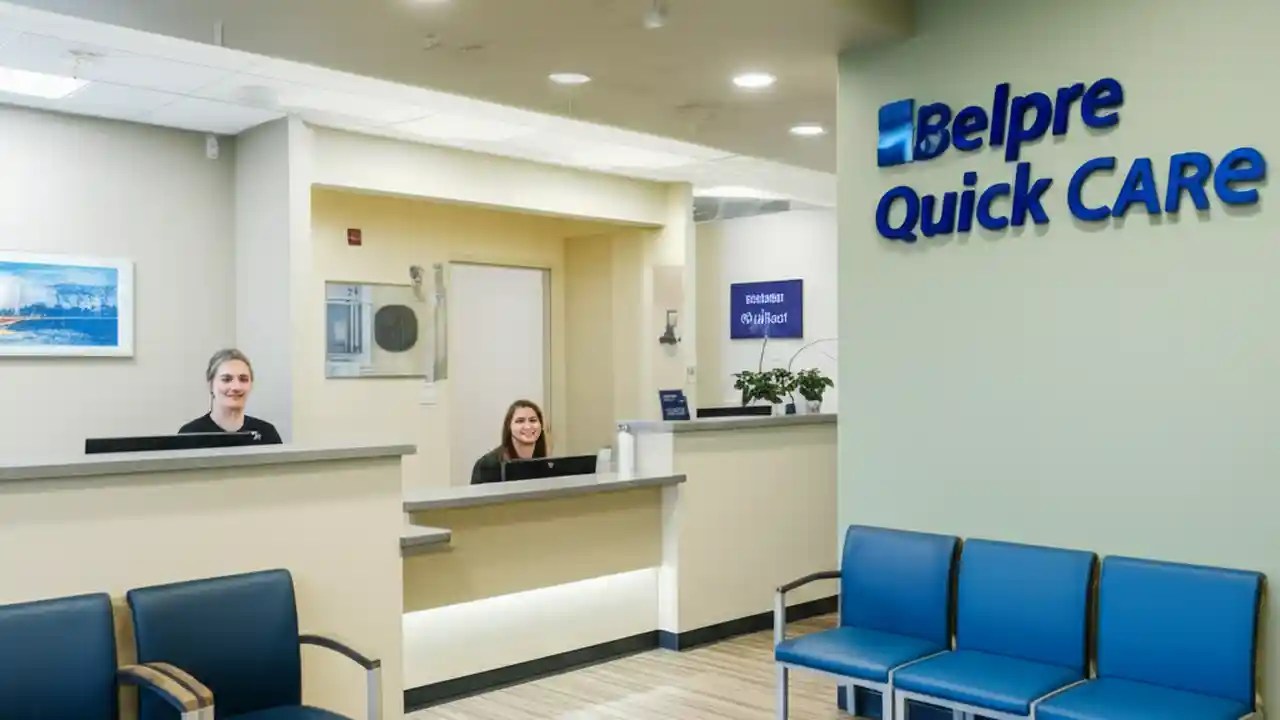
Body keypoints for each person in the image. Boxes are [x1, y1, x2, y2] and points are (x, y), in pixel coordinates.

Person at [178, 348, 283, 444]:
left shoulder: (267, 434)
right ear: (211, 385)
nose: (236, 387)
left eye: (243, 379)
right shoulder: (189, 435)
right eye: (226, 379)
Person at [471, 399, 549, 484]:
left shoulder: (546, 465)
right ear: (509, 427)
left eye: (533, 420)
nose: (528, 426)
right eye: (520, 421)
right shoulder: (487, 466)